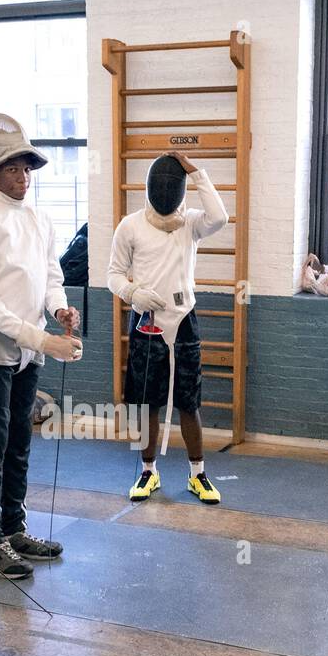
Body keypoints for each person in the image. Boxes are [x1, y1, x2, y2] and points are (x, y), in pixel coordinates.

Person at [0, 113, 82, 580]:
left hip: (30, 349)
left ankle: (14, 529)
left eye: (27, 168)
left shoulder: (38, 218)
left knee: (19, 443)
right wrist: (41, 338)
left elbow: (51, 277)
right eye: (13, 168)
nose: (23, 177)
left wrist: (60, 311)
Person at [107, 152, 228, 503]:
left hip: (183, 320)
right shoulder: (130, 226)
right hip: (147, 322)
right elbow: (112, 274)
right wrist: (133, 293)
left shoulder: (192, 222)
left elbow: (220, 217)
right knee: (148, 404)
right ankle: (148, 472)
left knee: (189, 403)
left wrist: (197, 172)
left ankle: (198, 475)